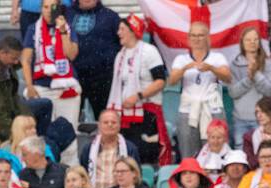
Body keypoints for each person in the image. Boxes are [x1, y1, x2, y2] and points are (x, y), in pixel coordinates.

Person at [107, 15, 170, 167]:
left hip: (147, 111)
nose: (118, 33)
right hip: (125, 113)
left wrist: (138, 96)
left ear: (132, 31)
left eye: (122, 29)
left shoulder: (149, 51)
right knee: (128, 155)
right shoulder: (120, 55)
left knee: (146, 154)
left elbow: (161, 81)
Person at [168, 21, 232, 159]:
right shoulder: (181, 59)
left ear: (207, 38)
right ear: (188, 38)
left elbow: (228, 77)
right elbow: (172, 81)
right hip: (188, 110)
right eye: (193, 35)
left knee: (216, 151)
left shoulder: (217, 57)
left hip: (212, 108)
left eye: (201, 35)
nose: (197, 39)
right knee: (188, 152)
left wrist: (211, 68)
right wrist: (185, 68)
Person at [0, 36, 51, 144]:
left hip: (11, 108)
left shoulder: (6, 66)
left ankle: (37, 141)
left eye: (18, 58)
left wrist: (27, 119)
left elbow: (14, 97)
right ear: (2, 53)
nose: (16, 62)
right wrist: (18, 133)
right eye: (14, 58)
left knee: (45, 105)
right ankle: (32, 142)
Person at [22, 0, 82, 131]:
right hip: (41, 87)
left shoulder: (68, 28)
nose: (49, 10)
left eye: (53, 7)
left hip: (65, 87)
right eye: (46, 7)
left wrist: (62, 31)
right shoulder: (33, 29)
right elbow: (25, 60)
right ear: (41, 9)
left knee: (68, 131)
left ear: (59, 8)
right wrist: (29, 86)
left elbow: (71, 55)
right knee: (42, 132)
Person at [67, 0, 121, 121]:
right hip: (72, 78)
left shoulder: (111, 16)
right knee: (70, 120)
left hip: (103, 79)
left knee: (105, 120)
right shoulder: (66, 15)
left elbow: (123, 44)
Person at [230, 25, 271, 144]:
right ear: (242, 43)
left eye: (255, 39)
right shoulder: (234, 65)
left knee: (263, 150)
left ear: (259, 42)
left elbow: (270, 91)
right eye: (248, 40)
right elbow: (233, 92)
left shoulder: (269, 63)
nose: (252, 42)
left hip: (264, 120)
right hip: (240, 120)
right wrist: (249, 79)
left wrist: (256, 74)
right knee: (241, 152)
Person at [79, 109, 139, 188]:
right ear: (99, 125)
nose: (110, 125)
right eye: (106, 122)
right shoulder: (88, 148)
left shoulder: (129, 148)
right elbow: (83, 175)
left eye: (113, 122)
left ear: (119, 125)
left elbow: (136, 177)